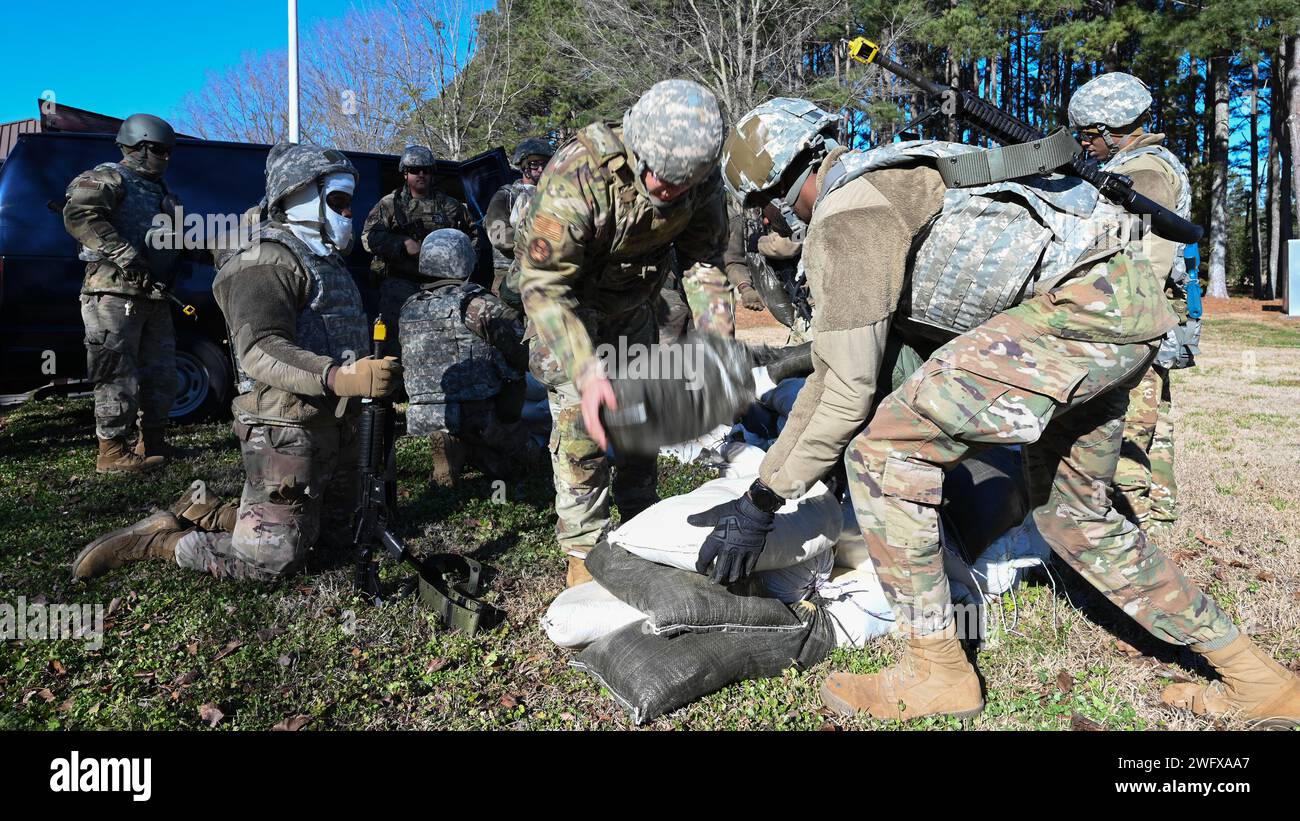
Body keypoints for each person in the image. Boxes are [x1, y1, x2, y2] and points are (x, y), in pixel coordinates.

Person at [702, 97, 1300, 726]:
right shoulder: (906, 169)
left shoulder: (848, 215)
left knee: (884, 452)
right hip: (1121, 307)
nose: (771, 221)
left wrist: (760, 501)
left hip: (1077, 315)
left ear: (782, 181)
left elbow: (842, 389)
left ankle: (936, 671)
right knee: (1073, 515)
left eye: (763, 204)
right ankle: (1256, 677)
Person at [72, 143, 402, 582]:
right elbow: (260, 348)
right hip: (288, 426)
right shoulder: (264, 259)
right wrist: (341, 376)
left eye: (347, 202)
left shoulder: (325, 258)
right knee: (271, 562)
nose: (347, 213)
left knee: (343, 535)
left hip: (337, 422)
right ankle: (159, 541)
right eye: (337, 201)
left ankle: (209, 510)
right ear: (300, 195)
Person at [516, 79, 728, 587]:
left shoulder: (701, 180)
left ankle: (641, 524)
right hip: (565, 312)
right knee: (582, 429)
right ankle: (584, 555)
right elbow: (543, 285)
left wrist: (717, 342)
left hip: (634, 308)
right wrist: (588, 375)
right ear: (636, 148)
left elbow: (705, 261)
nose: (667, 192)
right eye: (658, 177)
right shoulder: (577, 173)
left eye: (683, 184)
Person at [1069, 73, 1195, 533]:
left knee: (1124, 429)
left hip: (1135, 318)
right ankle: (1158, 518)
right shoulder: (1150, 164)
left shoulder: (1143, 173)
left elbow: (1140, 261)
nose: (1084, 145)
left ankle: (1132, 527)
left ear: (1114, 129)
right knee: (1152, 422)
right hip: (1152, 317)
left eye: (1088, 135)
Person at [64, 113, 183, 473]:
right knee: (116, 371)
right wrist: (124, 253)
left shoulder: (162, 192)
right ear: (141, 146)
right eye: (161, 150)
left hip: (154, 295)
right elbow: (79, 214)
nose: (166, 158)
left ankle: (153, 442)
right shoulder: (108, 177)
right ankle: (112, 452)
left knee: (160, 373)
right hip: (113, 294)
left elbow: (172, 242)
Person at [400, 229, 545, 487]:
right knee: (527, 461)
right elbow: (519, 347)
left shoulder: (409, 306)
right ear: (465, 258)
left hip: (425, 414)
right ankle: (482, 449)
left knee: (480, 444)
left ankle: (453, 444)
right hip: (479, 410)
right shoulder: (475, 303)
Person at [362, 144, 478, 357]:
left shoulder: (451, 206)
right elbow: (368, 239)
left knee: (444, 339)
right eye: (415, 170)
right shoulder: (389, 204)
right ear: (405, 173)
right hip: (401, 282)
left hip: (443, 284)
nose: (421, 174)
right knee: (395, 341)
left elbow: (473, 238)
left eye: (426, 170)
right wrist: (402, 244)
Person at [487, 137, 555, 307]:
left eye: (545, 164)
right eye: (534, 164)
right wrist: (532, 248)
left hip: (548, 275)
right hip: (510, 275)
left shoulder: (555, 197)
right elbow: (498, 236)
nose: (540, 169)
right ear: (523, 165)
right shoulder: (506, 196)